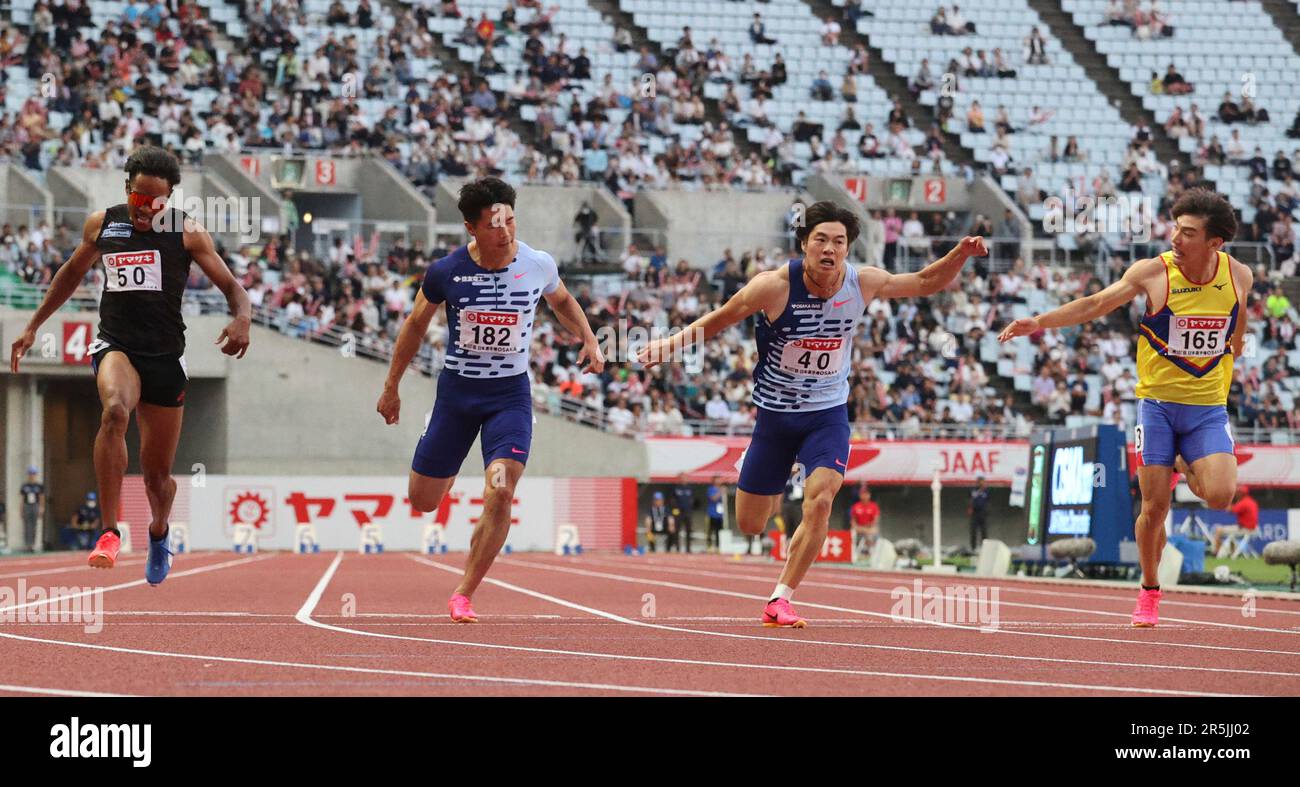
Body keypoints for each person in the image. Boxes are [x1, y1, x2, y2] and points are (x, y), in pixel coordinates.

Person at [638, 201, 987, 627]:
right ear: (804, 243)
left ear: (847, 249)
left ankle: (780, 597)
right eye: (820, 239)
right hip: (775, 417)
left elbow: (927, 281)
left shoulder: (863, 284)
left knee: (821, 501)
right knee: (751, 524)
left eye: (838, 242)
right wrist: (667, 345)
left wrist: (961, 253)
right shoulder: (773, 286)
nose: (829, 249)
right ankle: (756, 465)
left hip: (827, 413)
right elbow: (722, 318)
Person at [1000, 190, 1250, 627]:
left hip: (1207, 407)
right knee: (1154, 508)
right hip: (1157, 407)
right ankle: (1150, 591)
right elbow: (1096, 303)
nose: (1175, 237)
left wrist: (1238, 341)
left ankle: (1178, 458)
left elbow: (1238, 311)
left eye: (1187, 232)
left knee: (1220, 495)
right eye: (1174, 227)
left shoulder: (1238, 275)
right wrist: (1039, 322)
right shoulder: (1154, 273)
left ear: (1215, 243)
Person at [10, 146, 252, 580]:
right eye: (140, 199)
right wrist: (33, 326)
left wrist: (242, 319)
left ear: (170, 198)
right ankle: (109, 532)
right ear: (128, 190)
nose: (147, 209)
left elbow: (234, 288)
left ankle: (159, 533)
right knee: (115, 411)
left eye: (158, 202)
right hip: (115, 345)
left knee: (158, 479)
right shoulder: (103, 225)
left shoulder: (187, 233)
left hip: (164, 358)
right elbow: (69, 274)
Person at [377, 177, 605, 623]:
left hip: (509, 396)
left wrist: (589, 339)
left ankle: (463, 592)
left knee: (500, 491)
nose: (506, 231)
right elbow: (415, 326)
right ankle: (446, 461)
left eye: (511, 220)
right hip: (457, 396)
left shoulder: (537, 264)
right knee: (423, 500)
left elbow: (562, 301)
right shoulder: (447, 271)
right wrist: (391, 386)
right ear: (471, 228)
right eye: (494, 224)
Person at [1211, 484, 1258, 557]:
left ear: (1241, 494)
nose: (1237, 494)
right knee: (1231, 535)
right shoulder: (1251, 501)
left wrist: (1224, 502)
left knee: (1218, 530)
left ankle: (1215, 552)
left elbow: (1230, 510)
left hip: (1246, 529)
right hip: (1252, 528)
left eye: (1239, 492)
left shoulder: (1244, 502)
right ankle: (1232, 552)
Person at [849, 485, 880, 560]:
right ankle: (853, 555)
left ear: (869, 495)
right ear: (860, 495)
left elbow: (875, 521)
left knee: (873, 531)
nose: (864, 496)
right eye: (862, 494)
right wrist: (857, 527)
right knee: (852, 532)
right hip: (859, 528)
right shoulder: (856, 506)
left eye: (866, 494)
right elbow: (853, 520)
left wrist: (867, 527)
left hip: (869, 528)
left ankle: (871, 553)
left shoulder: (874, 506)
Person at [19, 466, 45, 552]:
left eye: (33, 474)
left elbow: (41, 498)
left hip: (35, 505)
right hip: (27, 505)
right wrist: (21, 509)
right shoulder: (25, 486)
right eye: (30, 474)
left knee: (34, 526)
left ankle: (33, 545)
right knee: (27, 526)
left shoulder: (39, 486)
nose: (32, 475)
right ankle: (27, 545)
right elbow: (22, 498)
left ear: (36, 475)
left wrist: (41, 508)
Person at [671, 473, 695, 553]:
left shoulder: (690, 488)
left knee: (689, 530)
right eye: (682, 477)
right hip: (678, 512)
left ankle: (688, 548)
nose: (684, 479)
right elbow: (672, 499)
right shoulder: (676, 488)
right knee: (677, 530)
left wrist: (690, 507)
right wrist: (675, 509)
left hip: (688, 512)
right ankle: (677, 548)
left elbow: (692, 499)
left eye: (685, 477)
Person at [968, 475, 990, 552]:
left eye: (983, 482)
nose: (981, 483)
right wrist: (970, 508)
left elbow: (988, 501)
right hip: (975, 513)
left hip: (983, 513)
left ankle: (985, 548)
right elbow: (970, 499)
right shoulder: (973, 490)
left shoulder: (986, 491)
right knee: (973, 531)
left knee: (984, 532)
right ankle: (973, 547)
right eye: (980, 481)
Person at [706, 476, 725, 553]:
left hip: (720, 514)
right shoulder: (711, 489)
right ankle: (709, 546)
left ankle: (718, 547)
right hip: (712, 513)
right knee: (710, 531)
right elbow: (713, 498)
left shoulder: (722, 489)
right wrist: (720, 492)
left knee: (718, 532)